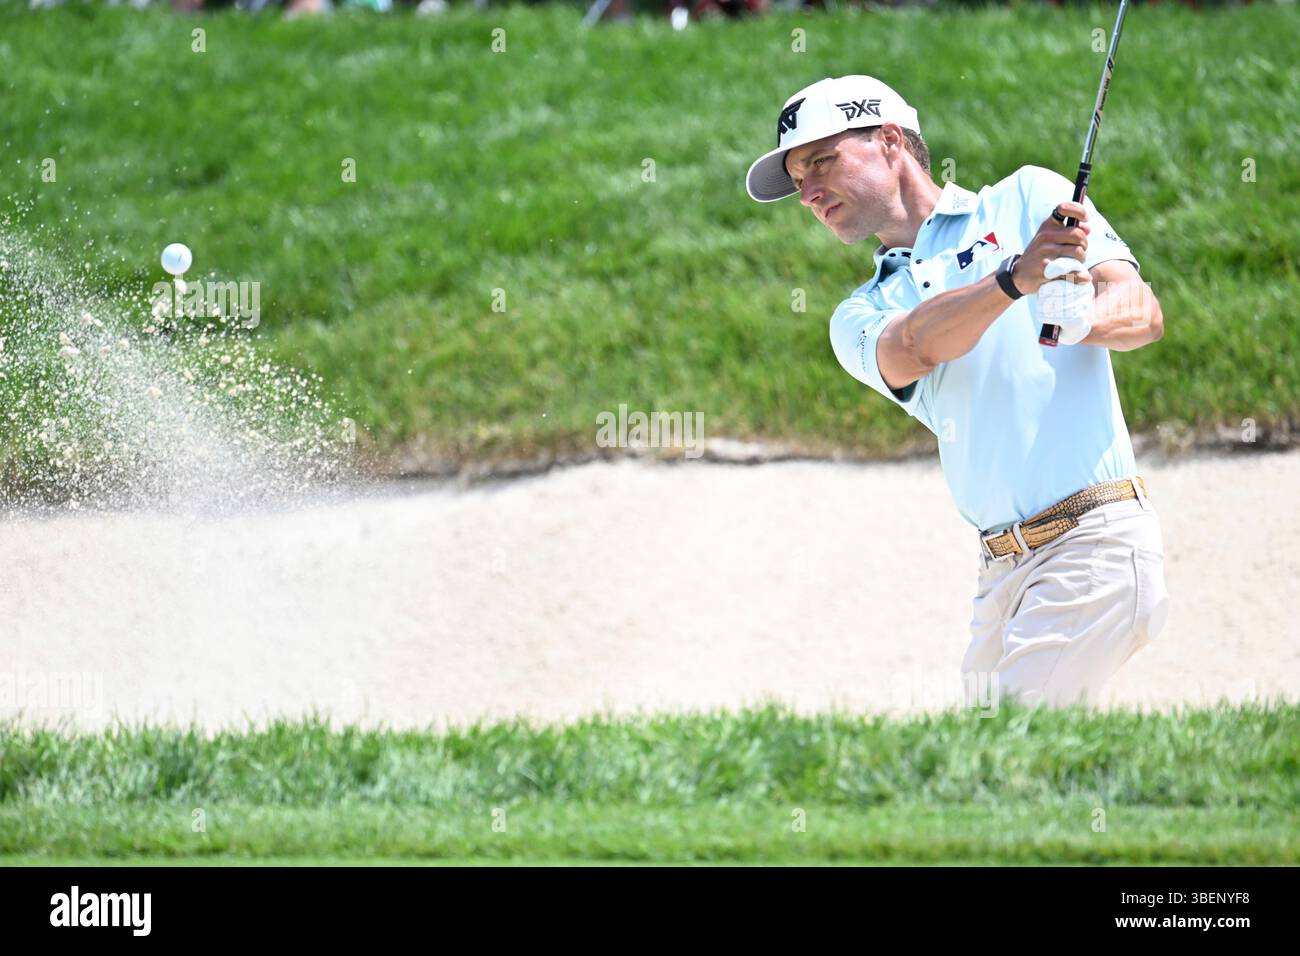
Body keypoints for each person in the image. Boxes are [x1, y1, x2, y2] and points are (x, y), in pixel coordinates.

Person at [745, 75, 1170, 708]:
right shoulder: (859, 314)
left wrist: (1082, 320)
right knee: (987, 776)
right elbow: (916, 346)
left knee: (1010, 756)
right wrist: (1014, 280)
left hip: (1092, 542)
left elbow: (1141, 311)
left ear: (890, 139)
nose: (807, 192)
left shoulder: (1027, 197)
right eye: (798, 179)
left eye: (822, 162)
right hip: (999, 575)